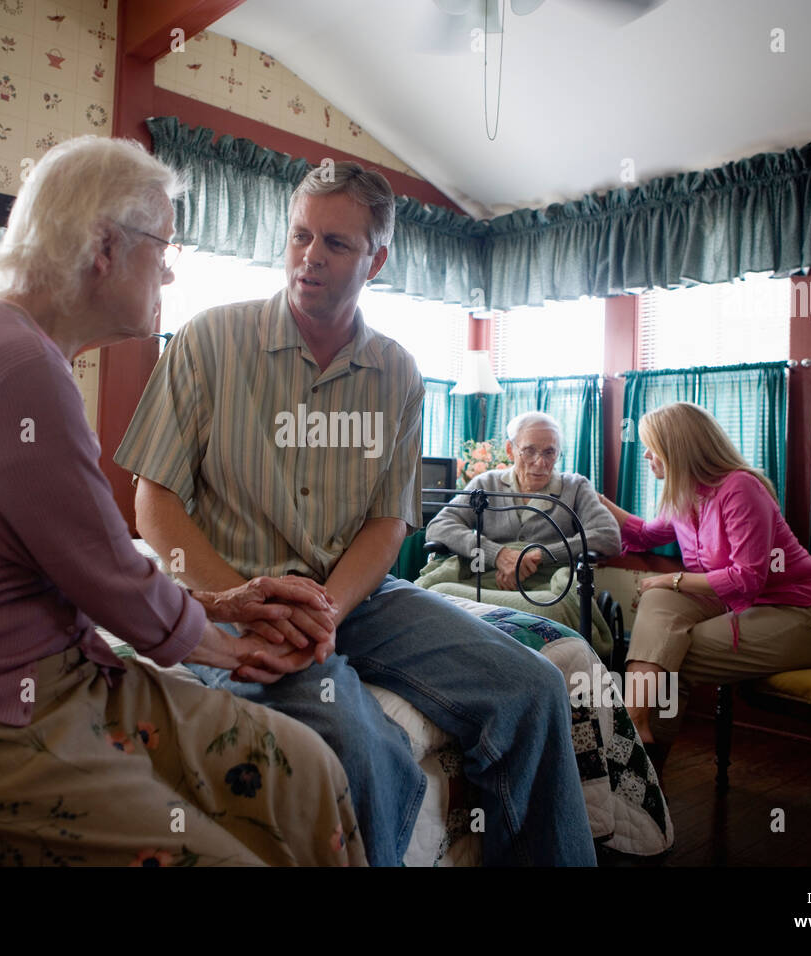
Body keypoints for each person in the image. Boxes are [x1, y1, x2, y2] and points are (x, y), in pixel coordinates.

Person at [0, 136, 367, 867]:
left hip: (47, 673)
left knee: (306, 768)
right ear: (103, 246)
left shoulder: (6, 342)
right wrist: (238, 646)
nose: (170, 266)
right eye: (162, 245)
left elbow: (79, 560)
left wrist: (223, 607)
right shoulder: (16, 362)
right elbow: (109, 574)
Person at [115, 161, 596, 867]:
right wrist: (245, 606)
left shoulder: (398, 373)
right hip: (231, 594)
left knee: (537, 684)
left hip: (356, 596)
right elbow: (152, 499)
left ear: (378, 258)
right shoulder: (209, 342)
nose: (310, 257)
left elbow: (387, 522)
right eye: (300, 236)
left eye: (336, 244)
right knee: (358, 742)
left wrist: (328, 610)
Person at [597, 401, 811, 748]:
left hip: (804, 615)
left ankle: (640, 763)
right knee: (658, 601)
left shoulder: (740, 488)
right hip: (744, 607)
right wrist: (598, 502)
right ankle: (636, 726)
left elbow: (746, 578)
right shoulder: (686, 494)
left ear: (677, 450)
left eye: (653, 447)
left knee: (671, 651)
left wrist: (674, 579)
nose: (647, 455)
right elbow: (645, 535)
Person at [421, 410, 620, 655]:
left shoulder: (575, 486)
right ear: (510, 450)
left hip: (545, 587)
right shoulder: (486, 484)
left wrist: (538, 555)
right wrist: (498, 554)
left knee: (550, 613)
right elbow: (439, 526)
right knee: (435, 595)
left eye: (550, 452)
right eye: (529, 451)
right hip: (484, 579)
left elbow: (608, 535)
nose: (540, 462)